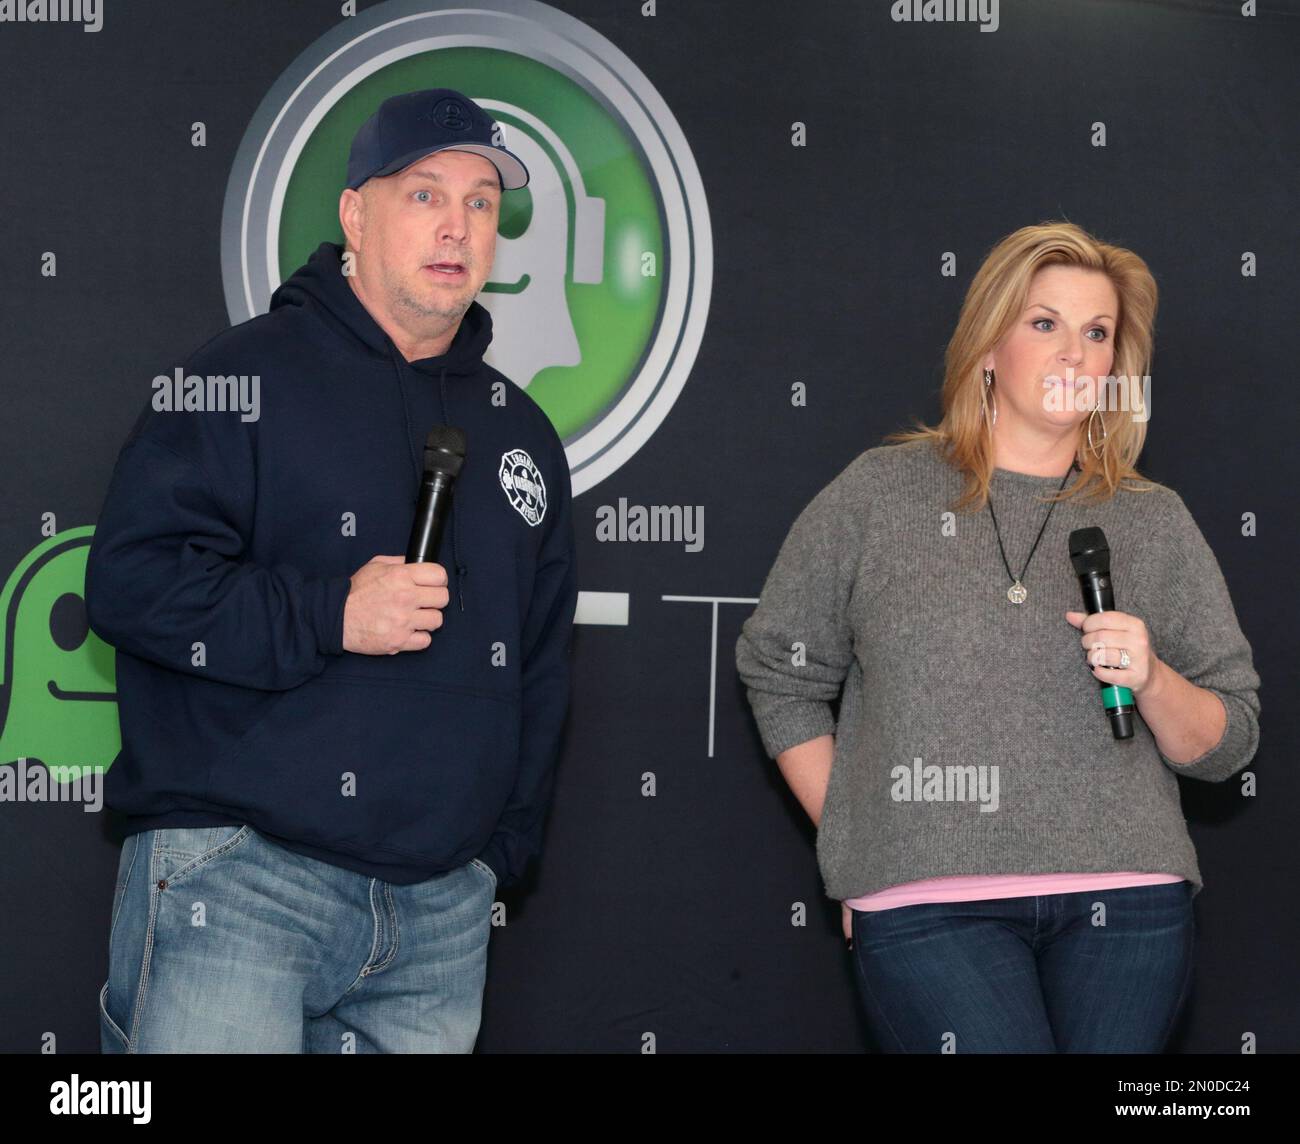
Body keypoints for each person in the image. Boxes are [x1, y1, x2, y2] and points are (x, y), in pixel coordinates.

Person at [86, 88, 578, 1053]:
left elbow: (542, 663)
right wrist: (328, 613)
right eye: (425, 193)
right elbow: (131, 583)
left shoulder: (521, 431)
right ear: (356, 213)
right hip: (241, 883)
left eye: (482, 203)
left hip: (438, 919)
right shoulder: (241, 378)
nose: (458, 225)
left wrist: (493, 856)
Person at [735, 221, 1261, 1053]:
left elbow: (1228, 742)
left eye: (1097, 334)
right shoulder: (881, 494)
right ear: (987, 347)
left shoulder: (1153, 520)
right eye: (1044, 323)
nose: (1075, 354)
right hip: (926, 903)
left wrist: (1154, 678)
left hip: (1127, 903)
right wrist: (856, 832)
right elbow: (778, 666)